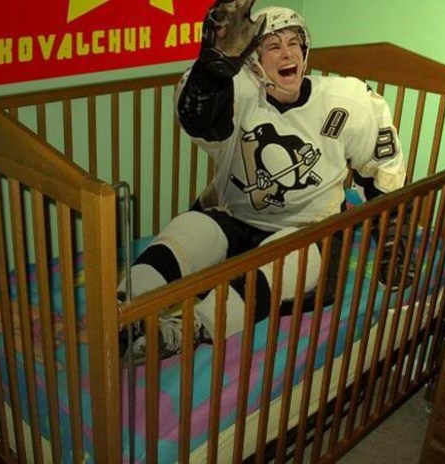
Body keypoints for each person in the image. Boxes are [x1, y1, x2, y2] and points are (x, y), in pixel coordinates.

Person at [119, 0, 407, 361]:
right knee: (191, 228)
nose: (287, 53)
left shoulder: (345, 100)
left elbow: (381, 170)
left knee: (284, 255)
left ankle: (186, 330)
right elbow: (197, 117)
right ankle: (121, 308)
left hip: (307, 233)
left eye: (294, 43)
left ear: (305, 52)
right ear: (254, 60)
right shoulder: (237, 90)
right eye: (273, 45)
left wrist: (390, 237)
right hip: (237, 220)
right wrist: (213, 69)